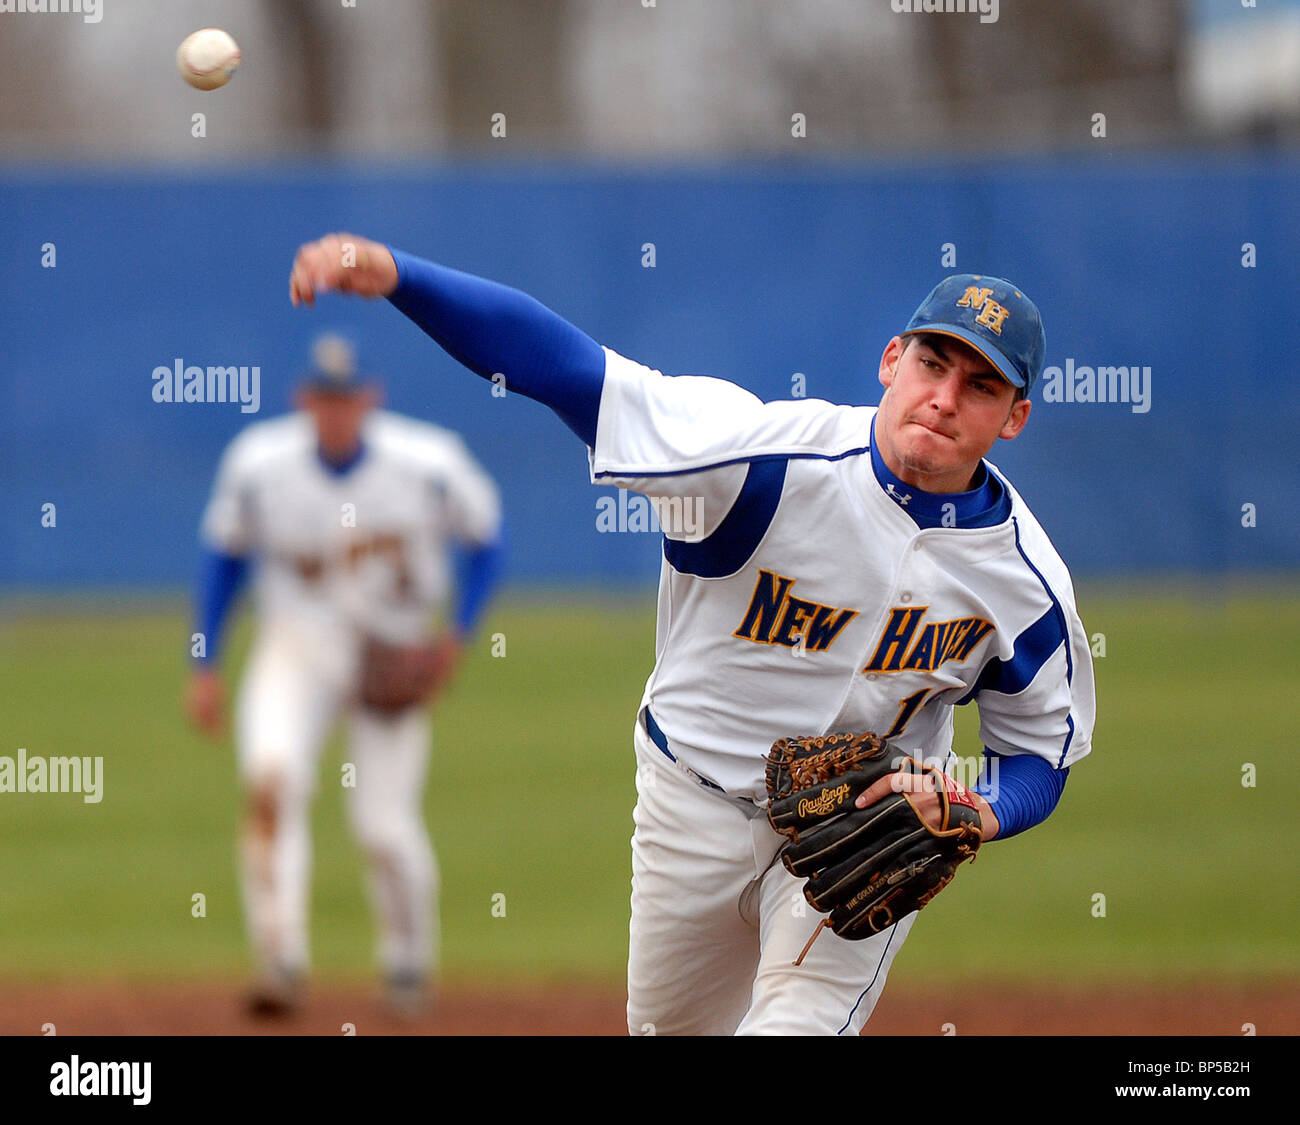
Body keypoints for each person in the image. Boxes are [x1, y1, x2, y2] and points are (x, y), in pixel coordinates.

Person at [285, 235, 1095, 1035]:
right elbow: (563, 367)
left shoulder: (1024, 582)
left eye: (981, 384)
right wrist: (398, 276)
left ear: (1015, 417)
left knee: (799, 1025)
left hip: (859, 821)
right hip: (691, 801)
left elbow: (1039, 755)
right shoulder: (760, 460)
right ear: (892, 361)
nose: (945, 397)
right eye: (932, 364)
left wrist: (975, 807)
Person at [184, 333, 506, 1018]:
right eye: (323, 397)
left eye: (346, 396)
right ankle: (280, 957)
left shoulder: (428, 462)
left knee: (383, 825)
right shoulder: (258, 464)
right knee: (271, 780)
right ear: (304, 399)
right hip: (296, 648)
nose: (335, 409)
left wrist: (459, 634)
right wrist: (203, 662)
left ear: (370, 397)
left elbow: (488, 542)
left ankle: (408, 963)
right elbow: (223, 561)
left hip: (393, 651)